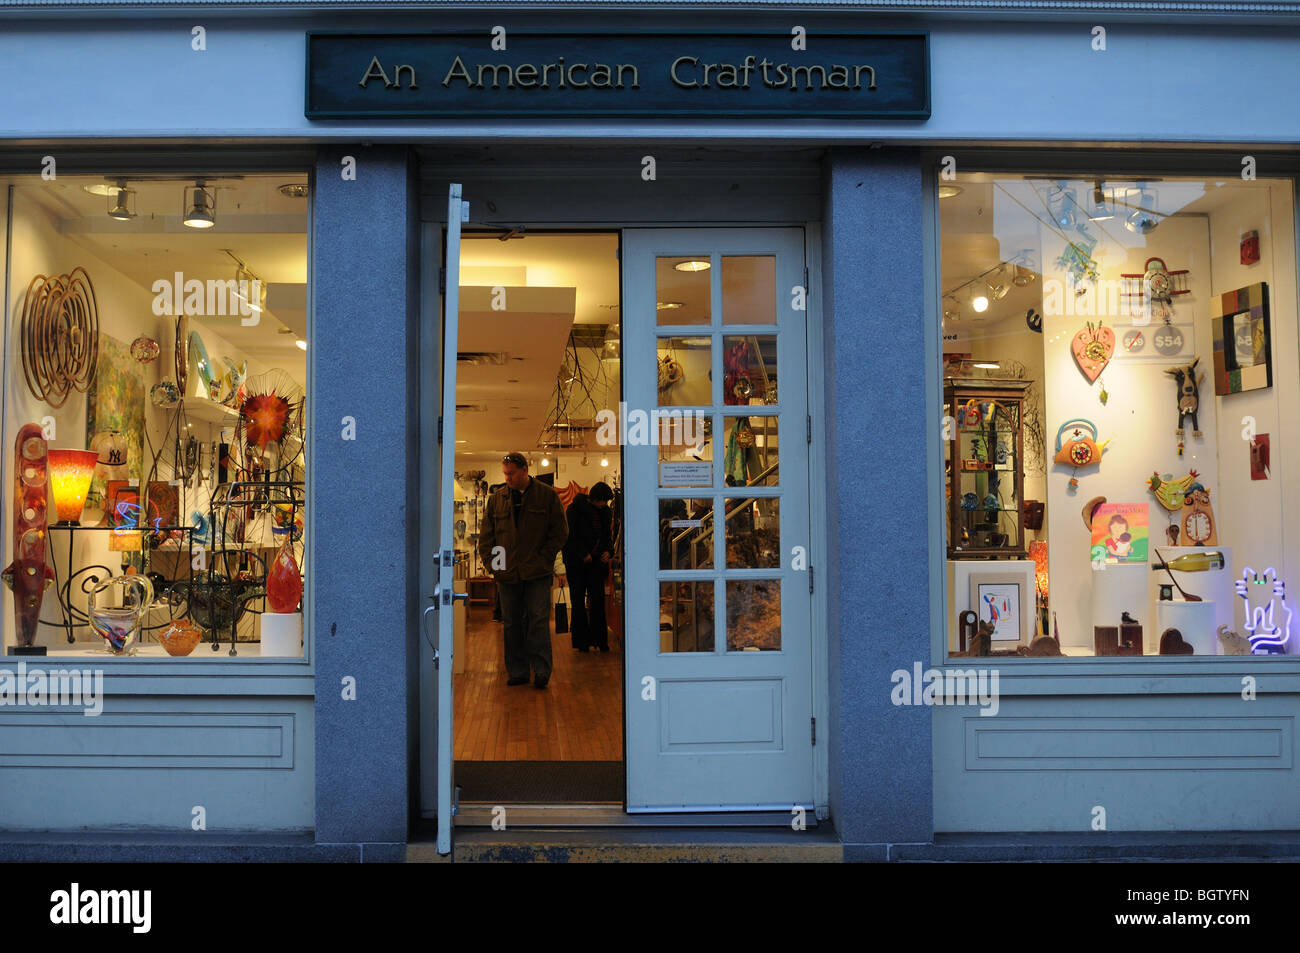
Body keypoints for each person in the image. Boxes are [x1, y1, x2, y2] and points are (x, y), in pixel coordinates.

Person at [478, 453, 568, 689]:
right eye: (505, 473)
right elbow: (488, 537)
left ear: (525, 470)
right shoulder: (497, 499)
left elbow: (560, 531)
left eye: (511, 473)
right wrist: (494, 567)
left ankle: (541, 671)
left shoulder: (546, 496)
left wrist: (545, 558)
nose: (507, 477)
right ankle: (517, 671)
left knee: (538, 621)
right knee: (512, 623)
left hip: (537, 572)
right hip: (507, 574)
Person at [563, 481, 615, 652]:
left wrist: (609, 551)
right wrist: (582, 553)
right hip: (577, 563)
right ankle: (582, 642)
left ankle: (600, 640)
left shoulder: (605, 512)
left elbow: (608, 535)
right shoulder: (574, 510)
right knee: (578, 602)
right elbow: (569, 535)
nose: (605, 504)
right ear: (595, 498)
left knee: (598, 601)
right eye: (603, 501)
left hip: (597, 562)